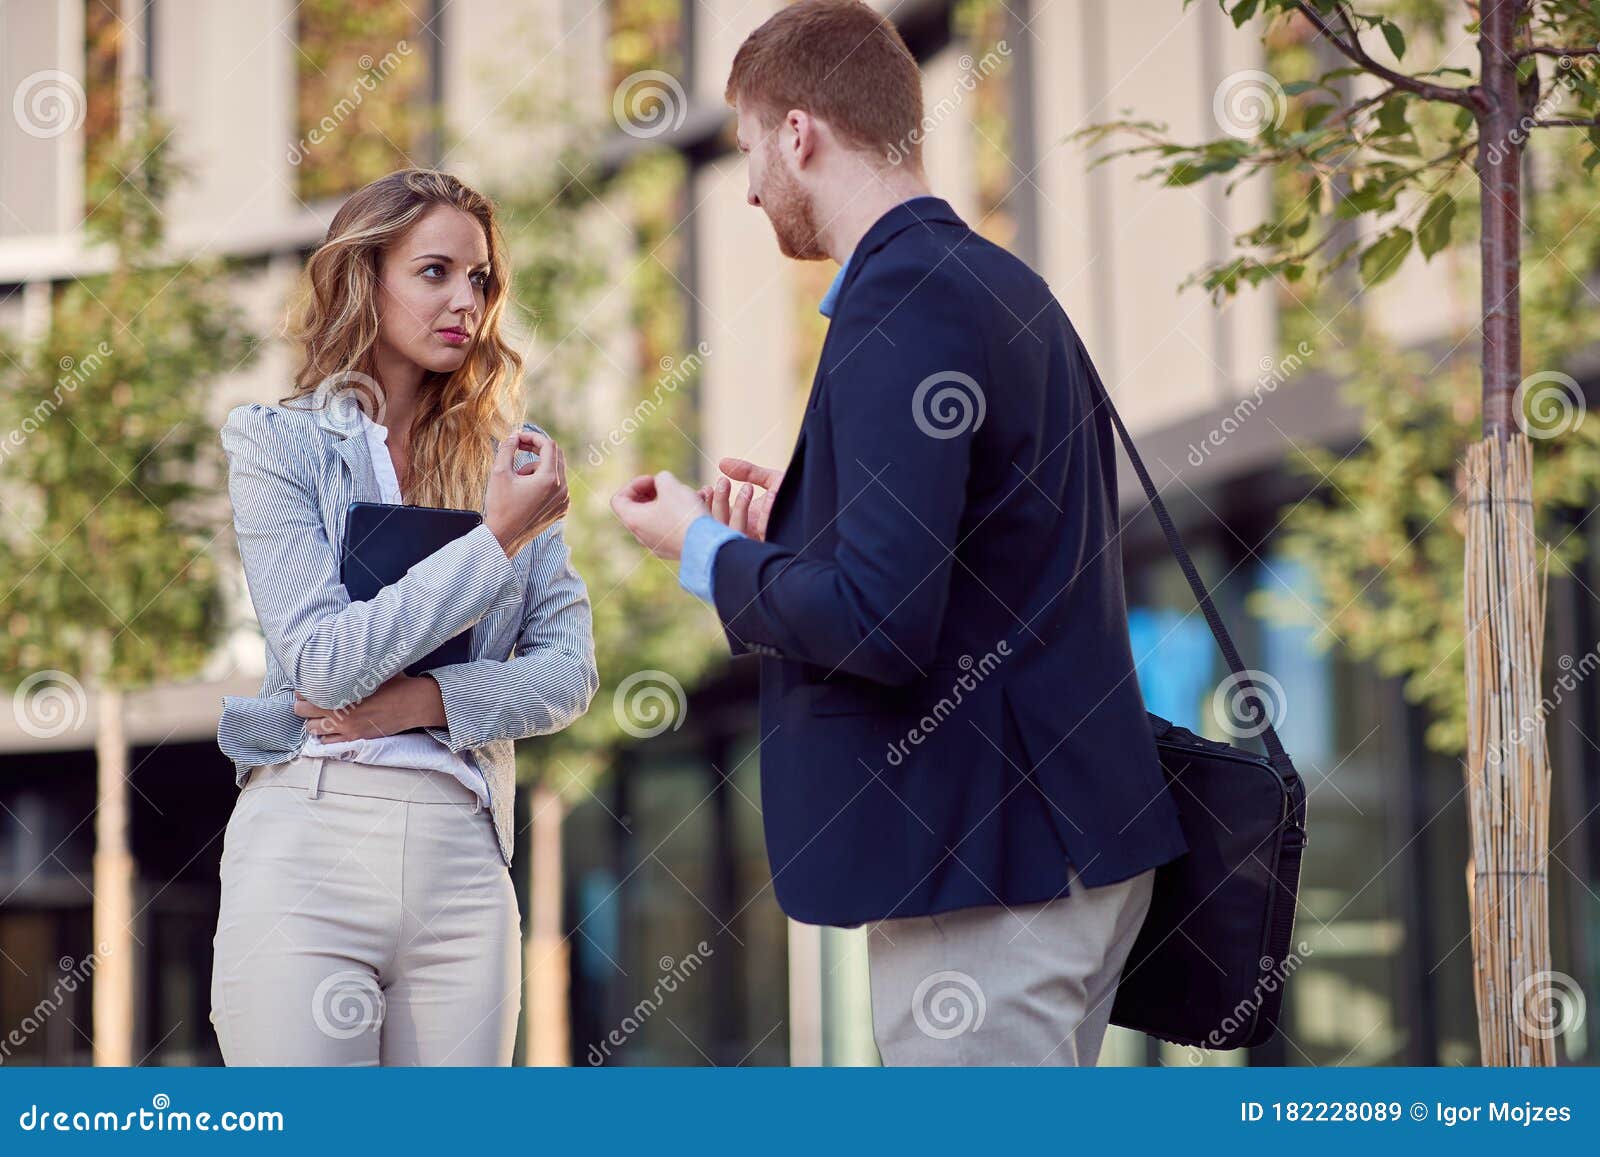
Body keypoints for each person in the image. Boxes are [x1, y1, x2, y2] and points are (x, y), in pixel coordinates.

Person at [610, 0, 1186, 1066]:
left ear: (798, 133)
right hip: (1049, 844)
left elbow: (879, 621)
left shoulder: (898, 299)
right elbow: (986, 539)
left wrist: (700, 547)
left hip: (986, 866)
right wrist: (801, 518)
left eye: (745, 148)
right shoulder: (994, 278)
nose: (743, 186)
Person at [211, 169, 598, 1065]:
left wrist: (425, 700)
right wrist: (492, 541)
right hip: (310, 841)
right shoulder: (279, 443)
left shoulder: (512, 466)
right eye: (435, 272)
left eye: (480, 279)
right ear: (365, 276)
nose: (465, 299)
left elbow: (567, 673)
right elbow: (322, 665)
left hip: (462, 859)